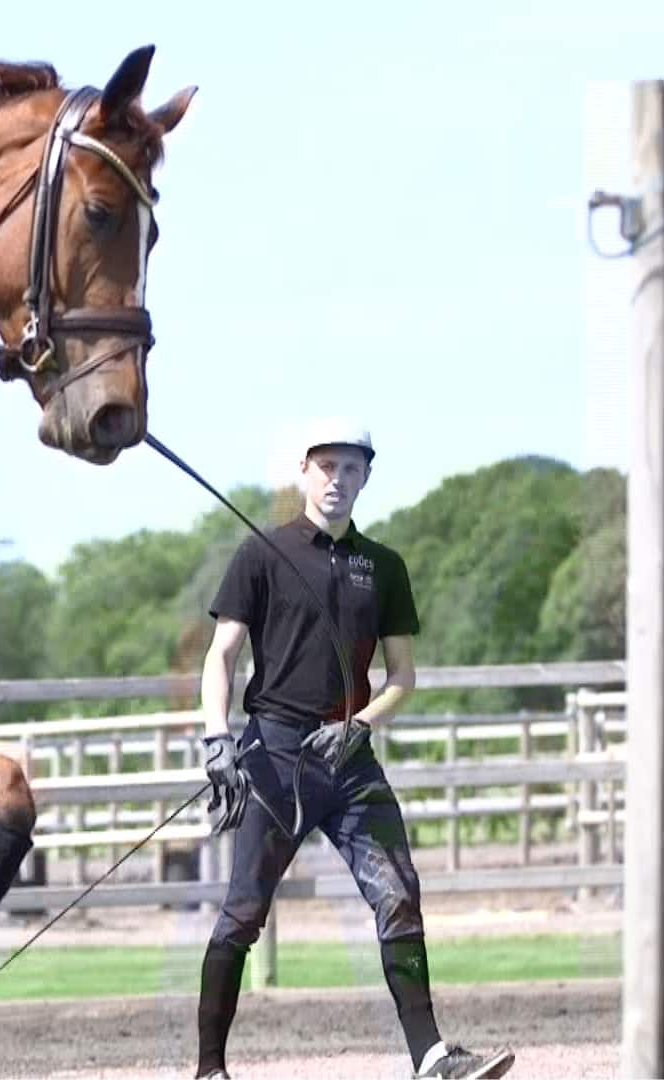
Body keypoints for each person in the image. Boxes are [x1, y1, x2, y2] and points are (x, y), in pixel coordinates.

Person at [190, 420, 515, 1080]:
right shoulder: (261, 553)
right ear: (303, 472)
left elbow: (403, 677)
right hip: (274, 755)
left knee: (398, 894)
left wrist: (360, 725)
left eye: (351, 468)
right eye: (326, 466)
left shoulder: (384, 567)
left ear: (366, 477)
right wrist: (217, 739)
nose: (338, 479)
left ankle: (431, 1059)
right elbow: (221, 656)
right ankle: (209, 1070)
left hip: (349, 756)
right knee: (243, 912)